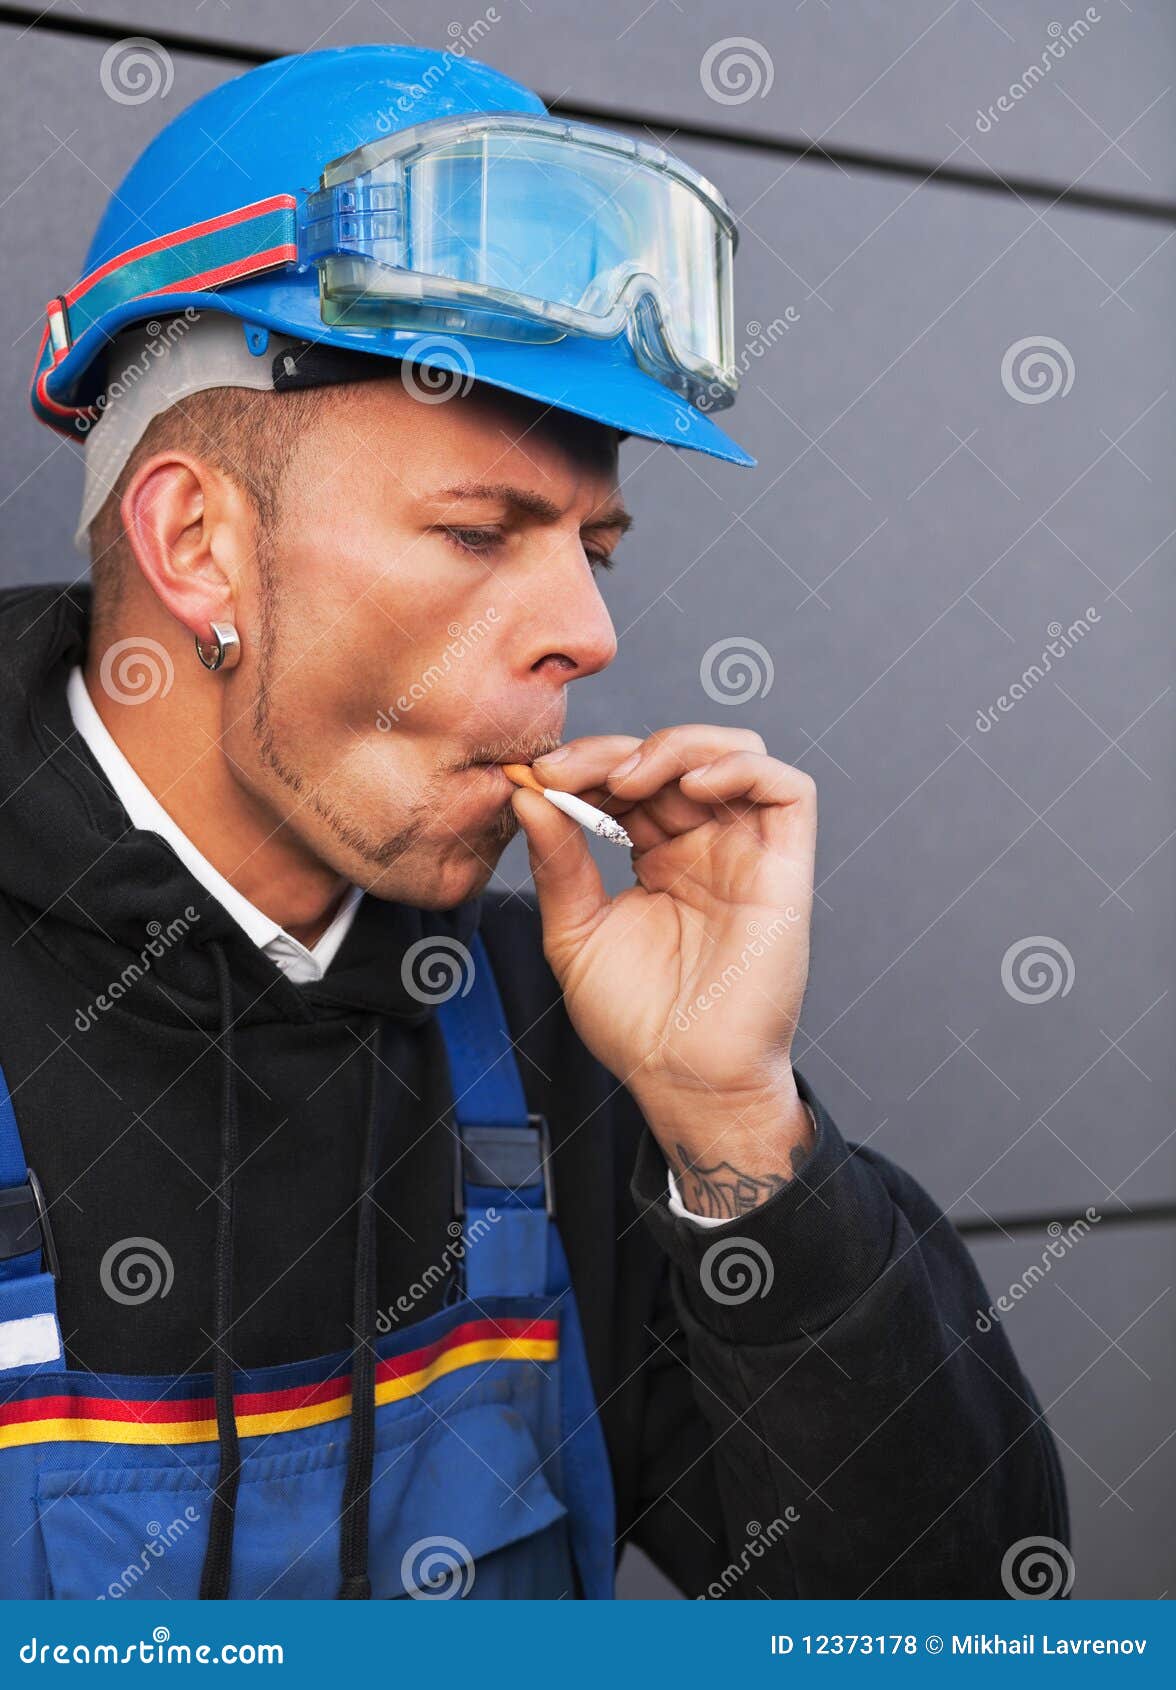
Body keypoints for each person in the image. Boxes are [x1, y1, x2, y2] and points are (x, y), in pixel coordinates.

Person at [0, 43, 1066, 1601]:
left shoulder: (571, 1037)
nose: (587, 632)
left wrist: (738, 1136)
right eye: (480, 530)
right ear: (196, 543)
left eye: (597, 549)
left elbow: (956, 1613)